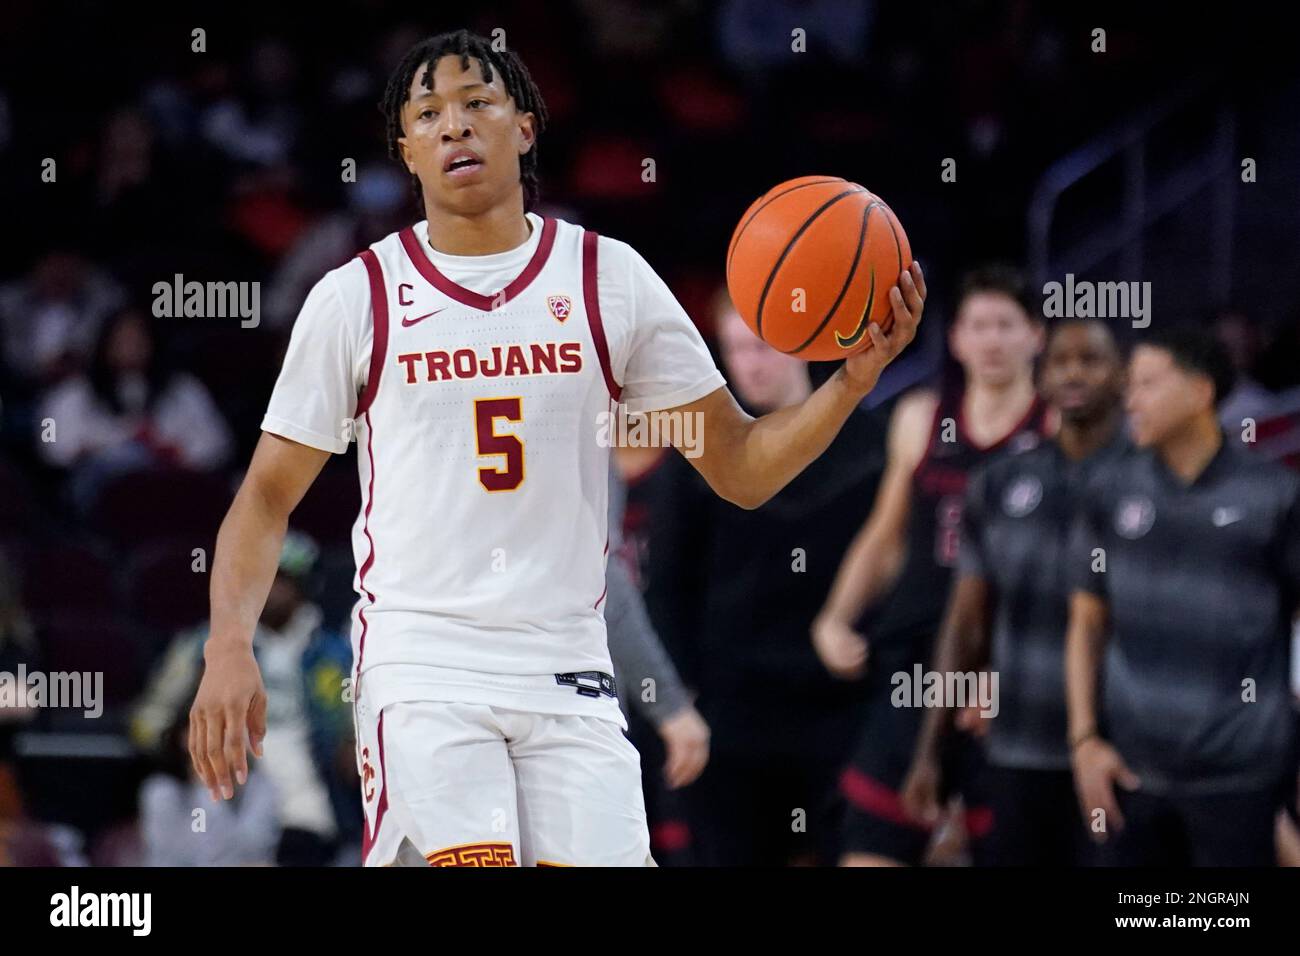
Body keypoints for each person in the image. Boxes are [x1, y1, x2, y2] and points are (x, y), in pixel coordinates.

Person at [188, 28, 924, 867]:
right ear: (407, 151)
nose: (454, 125)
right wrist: (227, 646)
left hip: (571, 673)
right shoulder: (357, 298)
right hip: (424, 669)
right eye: (428, 114)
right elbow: (265, 497)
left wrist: (850, 383)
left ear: (526, 127)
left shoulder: (610, 280)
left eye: (478, 103)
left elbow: (742, 467)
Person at [813, 264, 1047, 866]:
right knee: (868, 848)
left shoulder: (1054, 428)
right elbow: (885, 535)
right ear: (957, 339)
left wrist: (1014, 669)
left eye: (1006, 325)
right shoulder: (920, 416)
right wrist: (836, 617)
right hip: (914, 661)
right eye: (978, 326)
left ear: (1035, 335)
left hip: (1010, 669)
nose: (992, 340)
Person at [646, 290, 884, 865]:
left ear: (802, 344)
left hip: (837, 702)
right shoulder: (697, 452)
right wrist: (678, 694)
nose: (748, 365)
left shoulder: (866, 444)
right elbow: (668, 581)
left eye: (761, 347)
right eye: (735, 349)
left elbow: (891, 563)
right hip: (731, 706)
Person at [1066, 327, 1300, 866]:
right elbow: (1086, 622)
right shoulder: (1108, 488)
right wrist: (1084, 742)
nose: (1130, 401)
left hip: (1240, 777)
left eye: (1147, 384)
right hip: (1130, 774)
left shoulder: (1274, 493)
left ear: (1200, 391)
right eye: (1129, 386)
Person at [901, 318, 1127, 865]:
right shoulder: (1000, 482)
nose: (1073, 373)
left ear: (1121, 374)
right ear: (1041, 377)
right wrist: (931, 749)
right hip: (1016, 747)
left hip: (1124, 753)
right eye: (1060, 361)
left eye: (1090, 360)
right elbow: (966, 622)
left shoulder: (1149, 482)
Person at [135, 531, 354, 866]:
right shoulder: (205, 645)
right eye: (262, 575)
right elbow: (148, 723)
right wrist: (188, 737)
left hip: (314, 816)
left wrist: (353, 747)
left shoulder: (336, 654)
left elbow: (358, 734)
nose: (271, 587)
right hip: (228, 804)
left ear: (305, 584)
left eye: (283, 578)